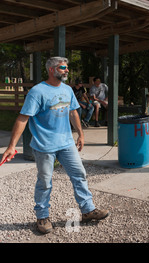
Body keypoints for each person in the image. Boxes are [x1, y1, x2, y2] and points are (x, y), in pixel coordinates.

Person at [1, 57, 109, 234]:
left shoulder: (67, 90)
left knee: (79, 174)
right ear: (51, 70)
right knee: (45, 181)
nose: (66, 71)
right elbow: (23, 118)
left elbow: (73, 112)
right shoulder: (37, 92)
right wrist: (12, 145)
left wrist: (81, 134)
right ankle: (42, 216)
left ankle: (88, 210)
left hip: (66, 144)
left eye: (67, 67)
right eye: (63, 68)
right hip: (44, 146)